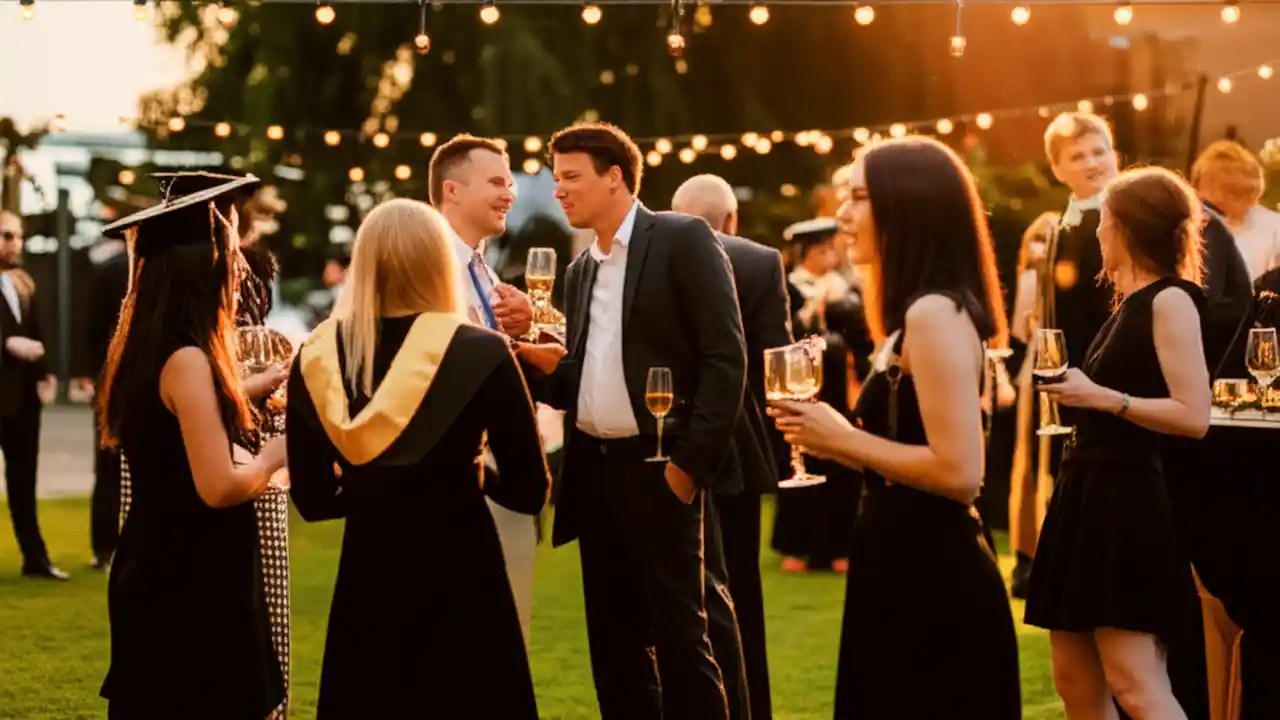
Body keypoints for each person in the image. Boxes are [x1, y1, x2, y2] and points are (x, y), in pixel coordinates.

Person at [769, 136, 1021, 717]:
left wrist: (840, 439)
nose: (842, 216)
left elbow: (960, 473)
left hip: (933, 577)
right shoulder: (913, 314)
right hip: (897, 561)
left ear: (905, 203)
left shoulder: (933, 313)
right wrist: (833, 438)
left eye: (857, 196)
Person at [516, 122, 746, 720]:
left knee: (682, 643)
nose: (559, 191)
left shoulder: (682, 238)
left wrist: (688, 469)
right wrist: (542, 366)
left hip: (660, 470)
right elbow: (586, 380)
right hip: (594, 476)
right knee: (614, 648)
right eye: (556, 178)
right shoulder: (581, 270)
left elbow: (726, 358)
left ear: (614, 175)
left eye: (571, 177)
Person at [286, 198, 549, 718]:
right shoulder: (482, 351)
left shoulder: (318, 355)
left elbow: (313, 501)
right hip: (463, 572)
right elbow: (529, 490)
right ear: (437, 262)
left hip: (369, 575)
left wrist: (370, 490)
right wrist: (476, 473)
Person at [1025, 166, 1213, 720]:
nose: (1098, 232)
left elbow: (1194, 415)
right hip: (1084, 492)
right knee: (1075, 679)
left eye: (1105, 220)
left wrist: (1105, 398)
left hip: (1125, 502)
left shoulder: (1169, 301)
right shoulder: (1125, 304)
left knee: (1135, 681)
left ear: (1127, 229)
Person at [95, 174, 285, 717]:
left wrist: (255, 386)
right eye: (229, 260)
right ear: (202, 273)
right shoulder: (188, 360)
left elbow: (177, 415)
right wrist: (279, 454)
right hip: (192, 580)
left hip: (157, 563)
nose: (239, 272)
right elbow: (220, 486)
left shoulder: (145, 346)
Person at [672, 173, 792, 720]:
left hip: (665, 445)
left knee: (675, 593)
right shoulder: (760, 261)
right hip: (736, 453)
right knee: (740, 593)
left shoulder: (652, 257)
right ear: (731, 220)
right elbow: (776, 364)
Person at [428, 133, 540, 644]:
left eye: (511, 181)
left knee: (506, 632)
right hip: (457, 481)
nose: (510, 193)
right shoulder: (430, 271)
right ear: (452, 190)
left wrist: (525, 335)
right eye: (497, 181)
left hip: (502, 470)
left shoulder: (484, 271)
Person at [772, 217, 861, 575]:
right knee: (802, 460)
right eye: (824, 251)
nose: (831, 258)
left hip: (840, 391)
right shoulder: (789, 288)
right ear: (809, 252)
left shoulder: (844, 288)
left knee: (842, 465)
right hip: (803, 387)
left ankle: (840, 546)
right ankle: (799, 546)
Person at [0, 209, 64, 581]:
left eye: (18, 236)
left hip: (22, 399)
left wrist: (46, 374)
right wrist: (7, 344)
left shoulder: (23, 281)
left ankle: (35, 559)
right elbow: (16, 337)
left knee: (24, 481)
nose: (15, 243)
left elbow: (39, 331)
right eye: (7, 236)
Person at [1005, 211, 1061, 598]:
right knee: (1031, 466)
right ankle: (1029, 555)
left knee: (1038, 466)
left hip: (1045, 374)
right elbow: (1020, 329)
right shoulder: (1032, 279)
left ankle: (1034, 556)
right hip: (1038, 374)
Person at [85, 234, 130, 571]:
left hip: (110, 380)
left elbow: (91, 329)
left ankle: (103, 548)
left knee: (107, 465)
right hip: (127, 379)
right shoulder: (147, 271)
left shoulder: (108, 271)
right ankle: (111, 545)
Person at [1192, 140, 1280, 281]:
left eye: (1250, 191)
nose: (1245, 199)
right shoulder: (1185, 226)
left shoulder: (1274, 227)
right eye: (1233, 191)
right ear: (1201, 188)